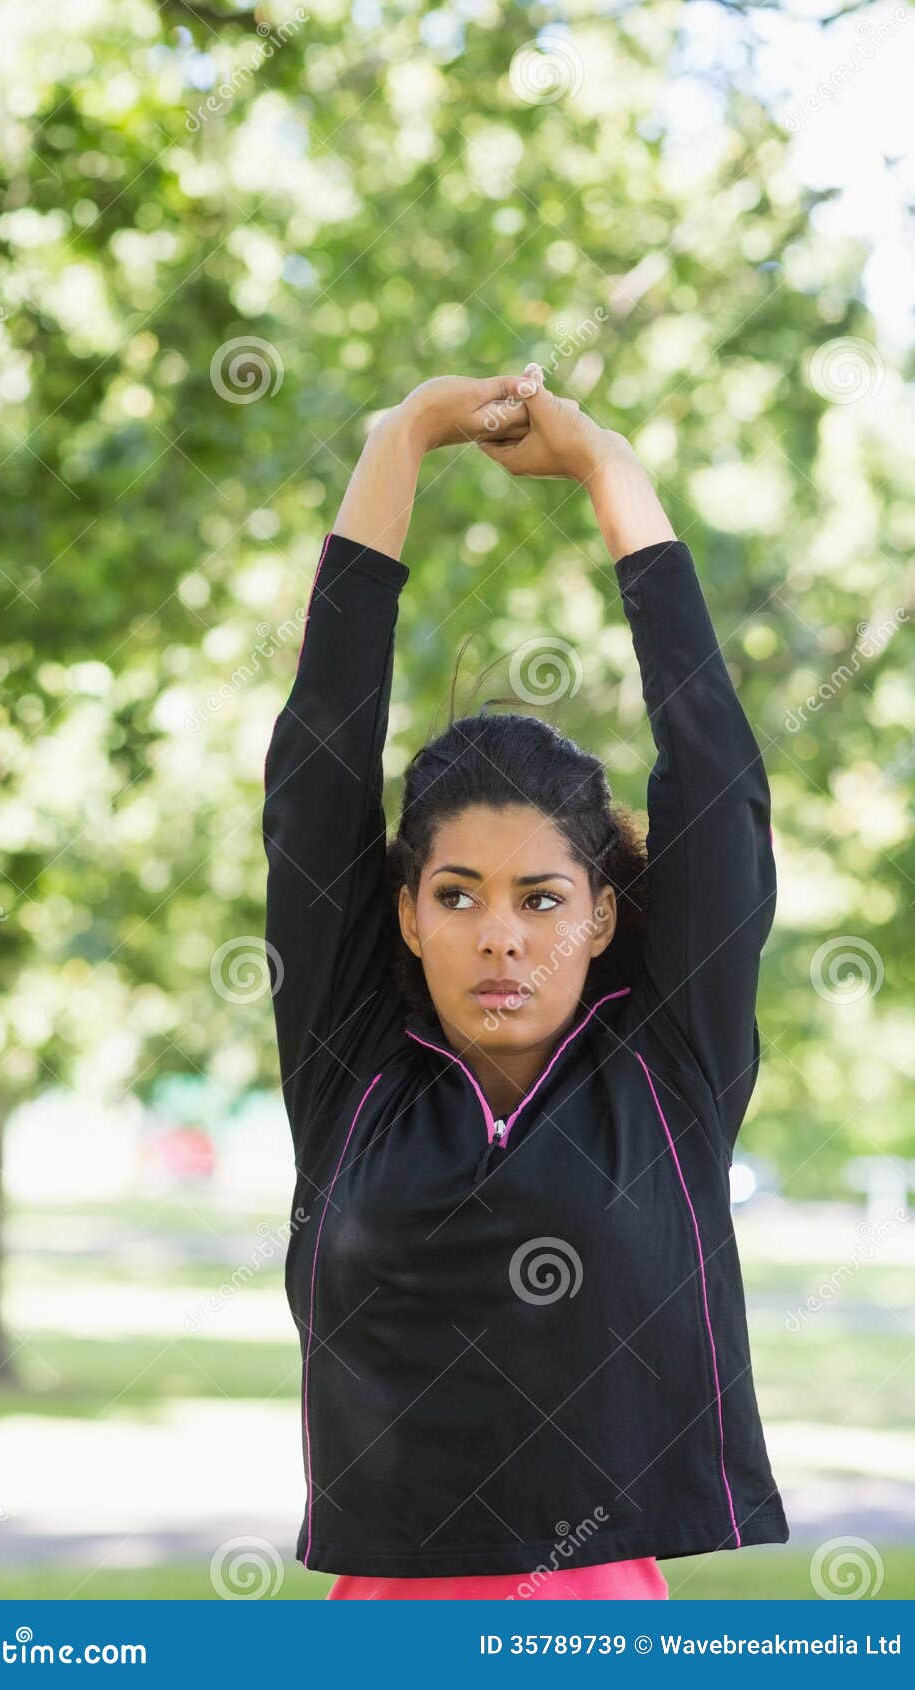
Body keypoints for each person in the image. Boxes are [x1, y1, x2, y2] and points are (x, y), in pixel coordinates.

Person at [261, 367, 788, 1600]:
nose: (499, 935)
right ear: (405, 911)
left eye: (540, 898)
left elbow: (715, 784)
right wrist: (402, 438)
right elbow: (318, 763)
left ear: (602, 915)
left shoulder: (668, 1072)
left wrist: (611, 476)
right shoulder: (353, 1073)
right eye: (457, 894)